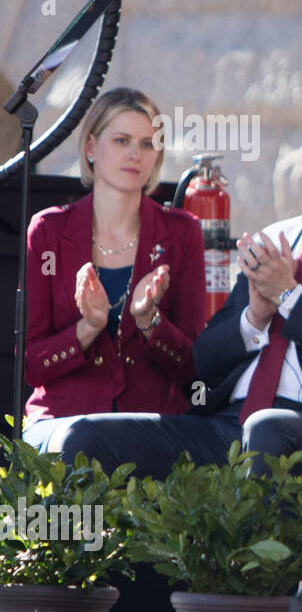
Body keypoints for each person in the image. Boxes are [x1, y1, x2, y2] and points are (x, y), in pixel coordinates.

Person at [46, 95, 302, 482]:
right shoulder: (274, 238)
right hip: (230, 422)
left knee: (267, 428)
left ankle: (262, 545)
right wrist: (253, 319)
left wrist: (290, 297)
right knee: (84, 437)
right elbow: (204, 363)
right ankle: (75, 541)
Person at [22, 87, 205, 449]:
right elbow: (31, 366)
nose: (136, 154)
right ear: (91, 147)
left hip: (151, 422)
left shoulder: (183, 231)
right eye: (122, 140)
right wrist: (88, 328)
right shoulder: (48, 231)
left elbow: (194, 370)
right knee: (81, 444)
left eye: (148, 144)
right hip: (63, 420)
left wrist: (149, 321)